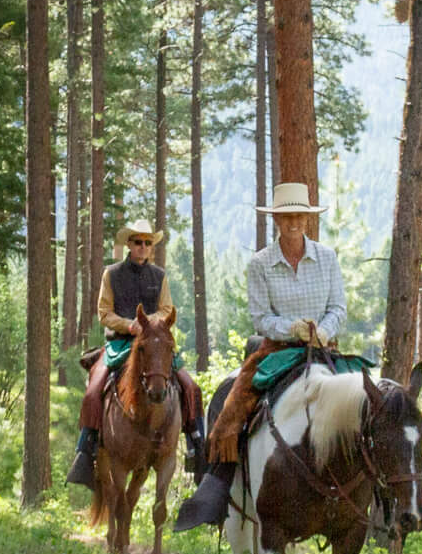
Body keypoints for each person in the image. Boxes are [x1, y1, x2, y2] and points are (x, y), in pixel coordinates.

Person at [172, 180, 355, 532]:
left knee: (367, 403)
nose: (293, 222)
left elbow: (339, 308)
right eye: (286, 216)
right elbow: (260, 318)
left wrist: (324, 332)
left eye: (299, 215)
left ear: (307, 218)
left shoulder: (327, 258)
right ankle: (218, 488)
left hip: (324, 350)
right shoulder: (260, 264)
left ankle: (383, 499)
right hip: (277, 350)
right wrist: (294, 330)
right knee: (232, 410)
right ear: (276, 220)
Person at [68, 223, 206, 488]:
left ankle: (196, 444)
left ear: (152, 247)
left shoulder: (159, 276)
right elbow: (104, 312)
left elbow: (167, 309)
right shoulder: (112, 274)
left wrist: (151, 323)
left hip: (154, 343)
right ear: (129, 245)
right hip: (120, 342)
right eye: (138, 242)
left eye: (147, 243)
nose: (143, 247)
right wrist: (129, 324)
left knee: (190, 386)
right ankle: (86, 448)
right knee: (93, 390)